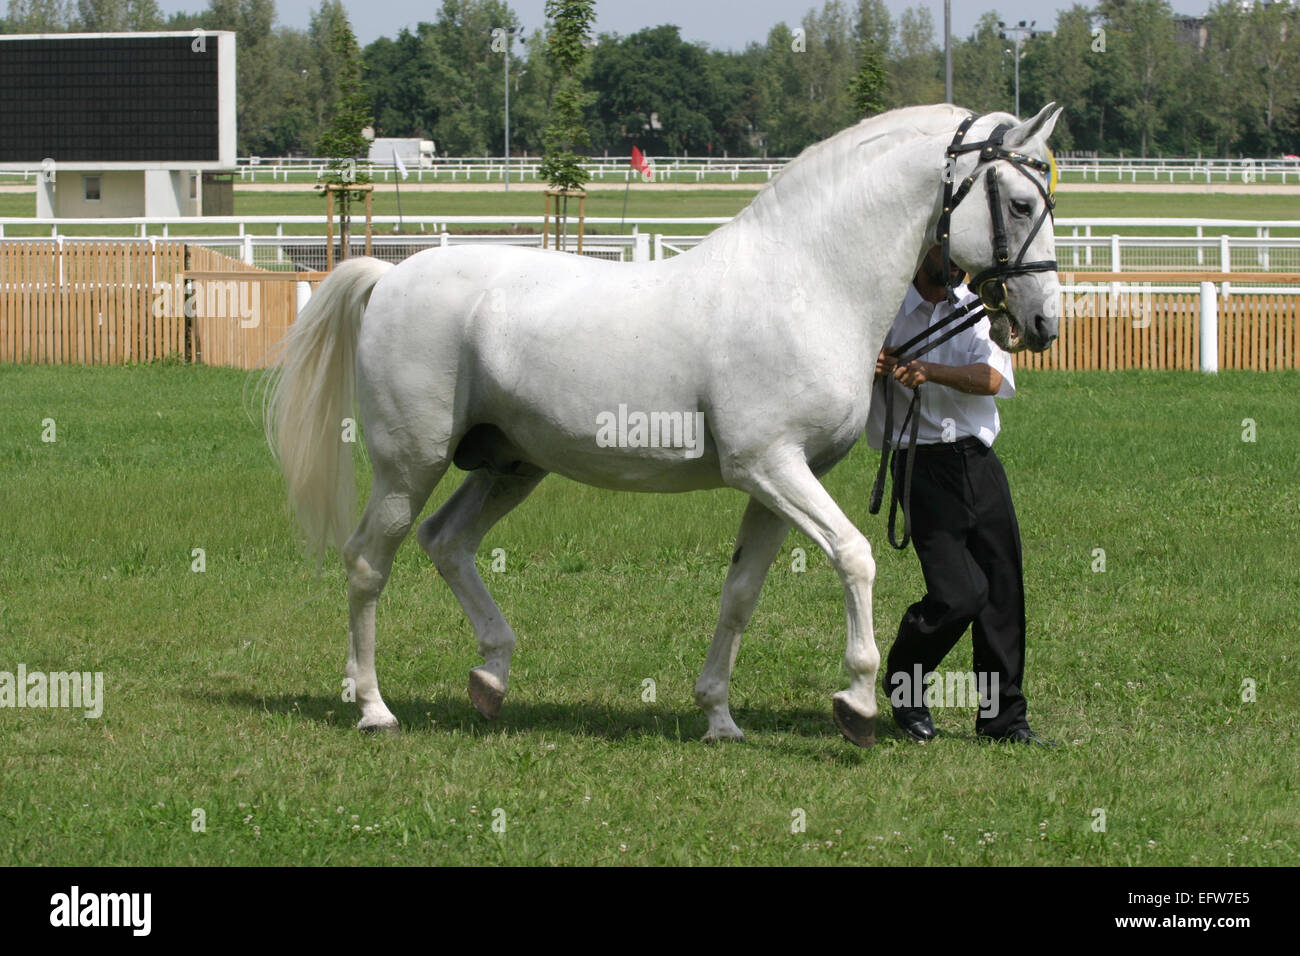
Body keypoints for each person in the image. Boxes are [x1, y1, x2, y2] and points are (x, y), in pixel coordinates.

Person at [866, 245, 1054, 746]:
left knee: (1002, 594)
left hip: (977, 460)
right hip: (920, 464)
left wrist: (927, 370)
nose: (957, 266)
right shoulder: (883, 309)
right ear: (923, 249)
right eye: (947, 254)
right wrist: (872, 364)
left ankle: (1003, 721)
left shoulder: (978, 310)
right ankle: (905, 687)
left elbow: (992, 377)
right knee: (958, 595)